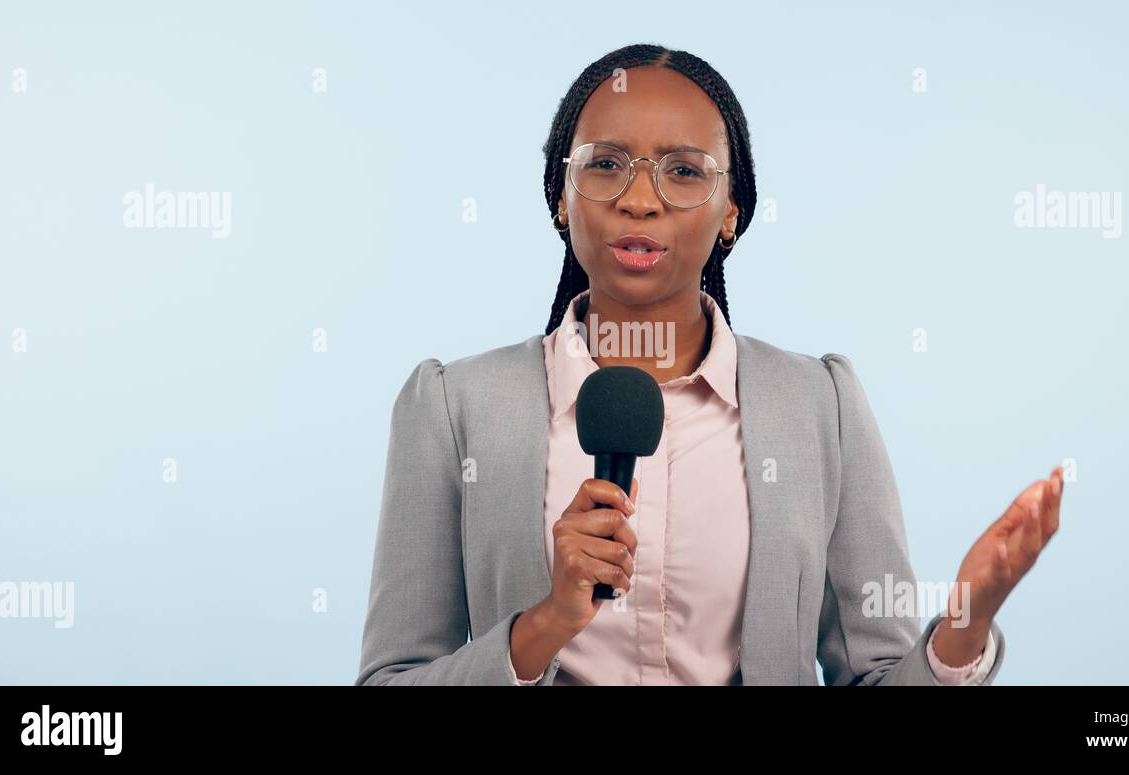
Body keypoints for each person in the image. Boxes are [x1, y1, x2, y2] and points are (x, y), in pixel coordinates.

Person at [356, 44, 1064, 686]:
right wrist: (542, 626)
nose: (640, 198)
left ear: (732, 210)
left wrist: (963, 630)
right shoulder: (453, 409)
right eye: (604, 164)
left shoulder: (821, 406)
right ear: (559, 200)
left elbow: (873, 674)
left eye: (684, 171)